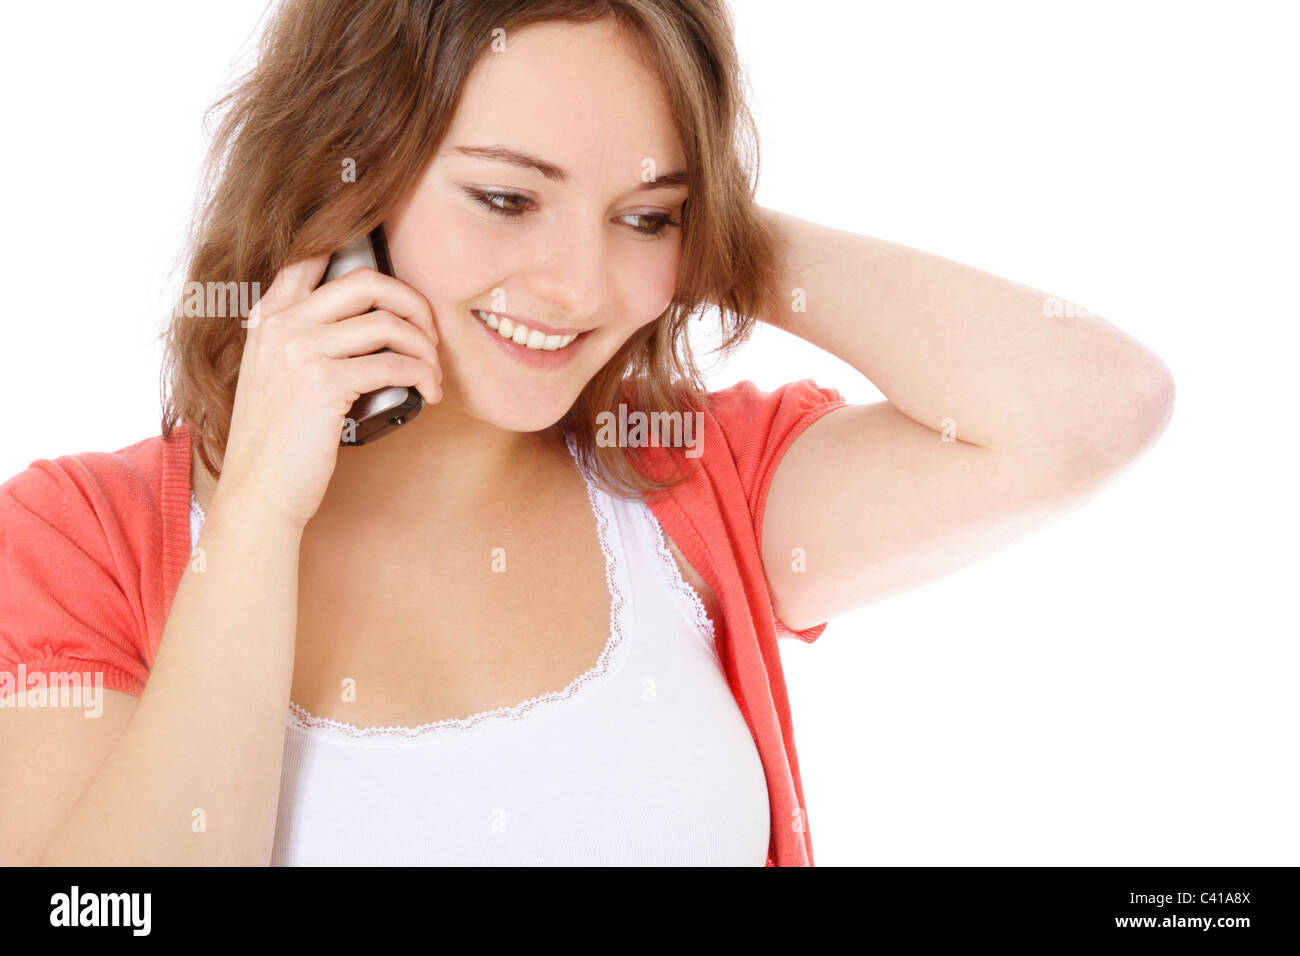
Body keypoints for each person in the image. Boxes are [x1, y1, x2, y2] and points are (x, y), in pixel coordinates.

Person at [0, 0, 1174, 866]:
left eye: (642, 216)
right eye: (507, 197)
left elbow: (1092, 410)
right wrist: (254, 514)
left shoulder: (697, 483)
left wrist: (724, 230)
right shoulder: (77, 539)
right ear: (344, 176)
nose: (575, 282)